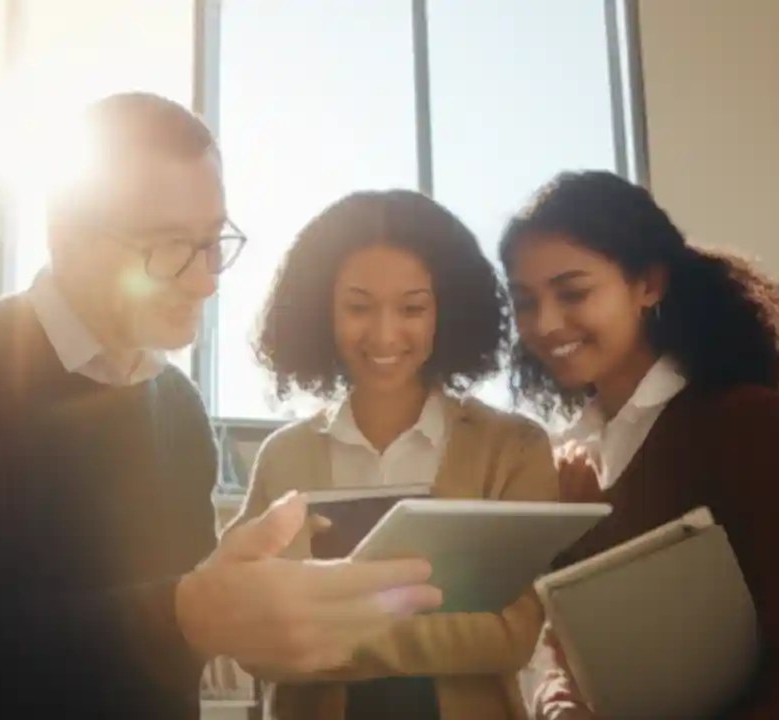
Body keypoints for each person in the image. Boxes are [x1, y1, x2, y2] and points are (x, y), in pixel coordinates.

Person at [0, 93, 443, 719]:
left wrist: (245, 614)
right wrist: (186, 615)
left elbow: (162, 663)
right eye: (169, 245)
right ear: (66, 235)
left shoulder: (177, 409)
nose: (206, 279)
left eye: (213, 242)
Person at [500, 170, 779, 719]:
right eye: (525, 301)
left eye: (573, 292)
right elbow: (569, 651)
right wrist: (558, 702)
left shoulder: (751, 428)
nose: (546, 323)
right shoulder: (568, 464)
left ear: (648, 285)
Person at [227, 190, 559, 720]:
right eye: (358, 307)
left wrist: (325, 633)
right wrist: (436, 630)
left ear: (444, 310)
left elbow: (509, 636)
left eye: (412, 308)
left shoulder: (513, 449)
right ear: (322, 311)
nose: (384, 333)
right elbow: (251, 638)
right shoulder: (284, 457)